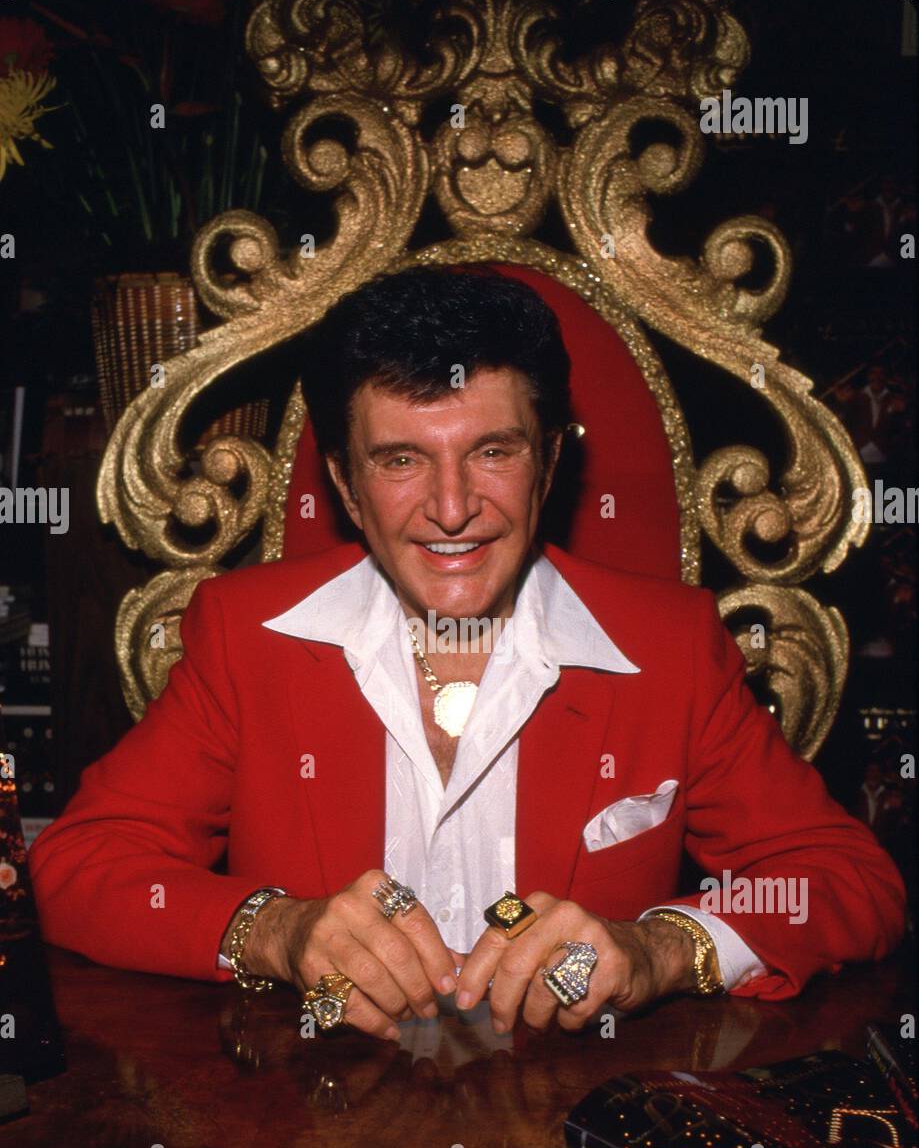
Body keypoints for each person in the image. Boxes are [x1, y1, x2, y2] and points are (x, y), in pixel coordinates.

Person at [28, 267, 906, 1041]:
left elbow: (844, 882)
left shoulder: (669, 646)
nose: (451, 509)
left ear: (551, 458)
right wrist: (277, 931)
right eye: (401, 459)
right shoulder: (244, 638)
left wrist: (660, 948)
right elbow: (79, 866)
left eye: (492, 451)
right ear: (344, 482)